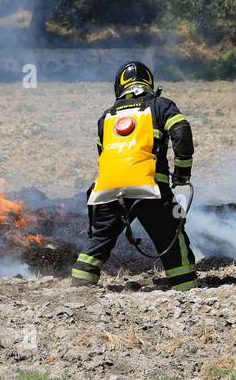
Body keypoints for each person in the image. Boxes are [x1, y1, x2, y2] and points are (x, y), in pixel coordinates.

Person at [70, 61, 197, 291]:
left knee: (98, 242)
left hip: (109, 191)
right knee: (172, 240)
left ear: (119, 87)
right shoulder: (160, 106)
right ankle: (187, 291)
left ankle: (79, 288)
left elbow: (103, 155)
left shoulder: (106, 117)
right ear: (149, 83)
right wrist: (181, 174)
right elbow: (182, 131)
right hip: (151, 190)